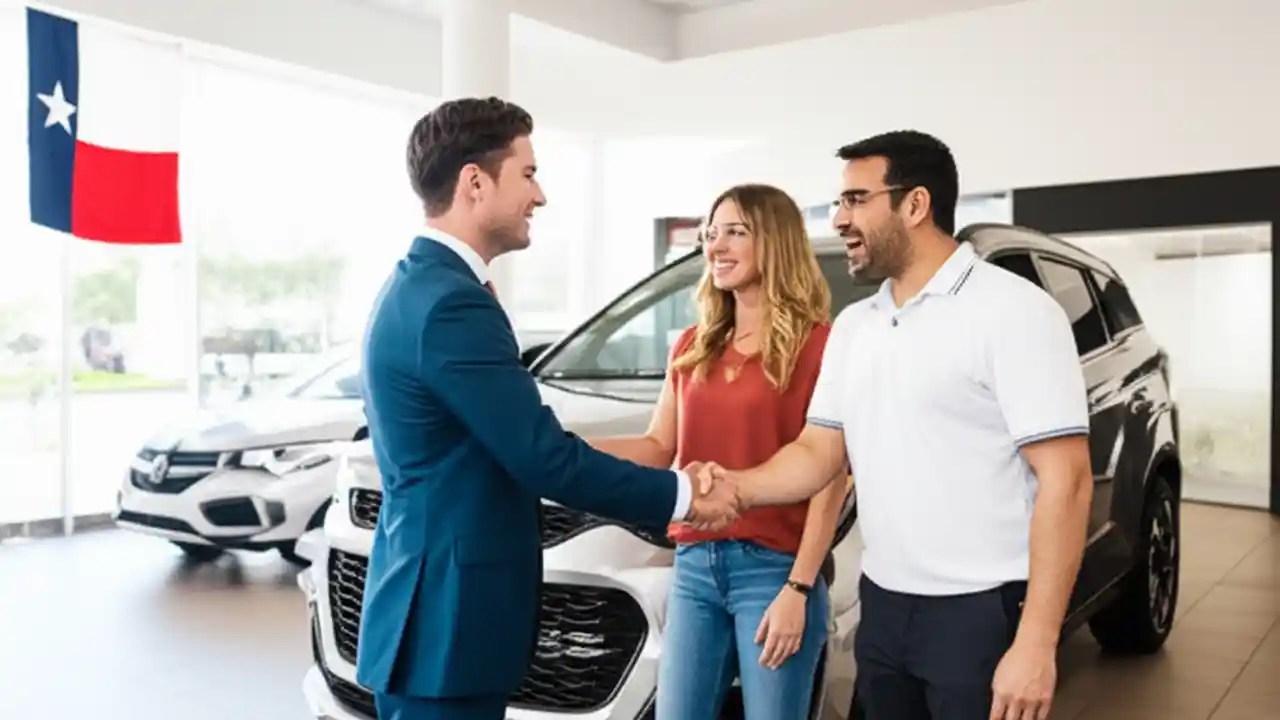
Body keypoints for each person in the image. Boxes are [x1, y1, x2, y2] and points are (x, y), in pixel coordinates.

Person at [355, 97, 741, 720]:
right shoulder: (452, 304)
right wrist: (684, 497)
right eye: (528, 174)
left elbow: (495, 449)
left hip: (431, 614)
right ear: (475, 183)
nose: (540, 196)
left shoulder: (416, 285)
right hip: (445, 624)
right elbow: (541, 459)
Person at [701, 130, 1093, 720]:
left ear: (915, 205)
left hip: (981, 611)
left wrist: (1036, 643)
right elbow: (818, 451)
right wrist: (736, 487)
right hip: (885, 606)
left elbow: (1067, 482)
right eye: (839, 202)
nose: (837, 218)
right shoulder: (857, 326)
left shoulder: (1015, 312)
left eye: (856, 200)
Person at [588, 184, 848, 720]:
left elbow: (831, 475)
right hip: (693, 566)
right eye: (711, 233)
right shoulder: (691, 345)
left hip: (775, 570)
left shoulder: (821, 346)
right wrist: (560, 451)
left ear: (774, 242)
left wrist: (799, 587)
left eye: (736, 231)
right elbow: (659, 447)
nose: (716, 246)